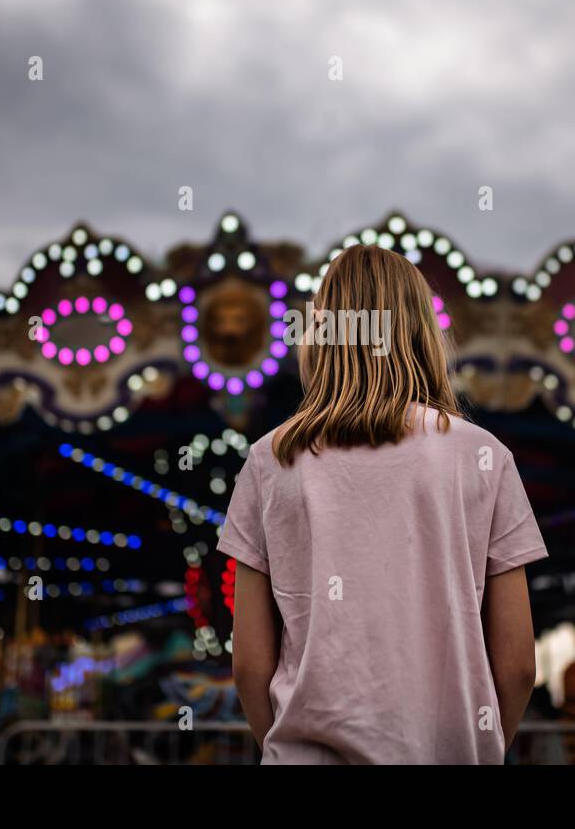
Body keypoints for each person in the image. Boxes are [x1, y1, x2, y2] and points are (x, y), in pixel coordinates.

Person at [219, 244, 548, 764]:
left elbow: (249, 666)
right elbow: (517, 668)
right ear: (422, 332)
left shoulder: (269, 461)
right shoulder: (485, 457)